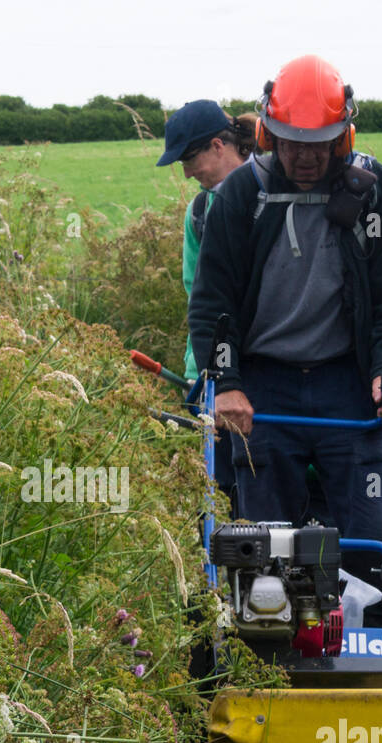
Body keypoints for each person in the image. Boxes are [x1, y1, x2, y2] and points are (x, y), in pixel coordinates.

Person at [187, 55, 382, 627]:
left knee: (372, 531)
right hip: (263, 388)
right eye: (293, 142)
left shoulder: (373, 191)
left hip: (348, 379)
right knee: (264, 539)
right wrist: (228, 384)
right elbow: (213, 301)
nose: (307, 156)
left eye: (321, 143)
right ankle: (268, 647)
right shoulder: (242, 196)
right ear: (269, 133)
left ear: (344, 135)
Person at [156, 100, 257, 517]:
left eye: (189, 159)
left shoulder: (275, 192)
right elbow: (197, 294)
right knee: (220, 495)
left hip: (271, 370)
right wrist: (202, 377)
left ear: (218, 146)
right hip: (214, 376)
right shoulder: (199, 212)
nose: (186, 172)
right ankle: (222, 579)